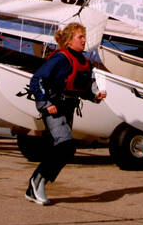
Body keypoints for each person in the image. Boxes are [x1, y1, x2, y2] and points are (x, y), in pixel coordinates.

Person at [24, 22, 105, 205]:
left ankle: (33, 187)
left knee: (65, 151)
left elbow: (83, 88)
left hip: (68, 108)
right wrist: (46, 104)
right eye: (80, 37)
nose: (84, 40)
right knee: (65, 146)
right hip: (54, 108)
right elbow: (37, 80)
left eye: (84, 37)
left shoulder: (85, 62)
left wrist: (95, 95)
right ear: (69, 41)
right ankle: (39, 183)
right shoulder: (60, 58)